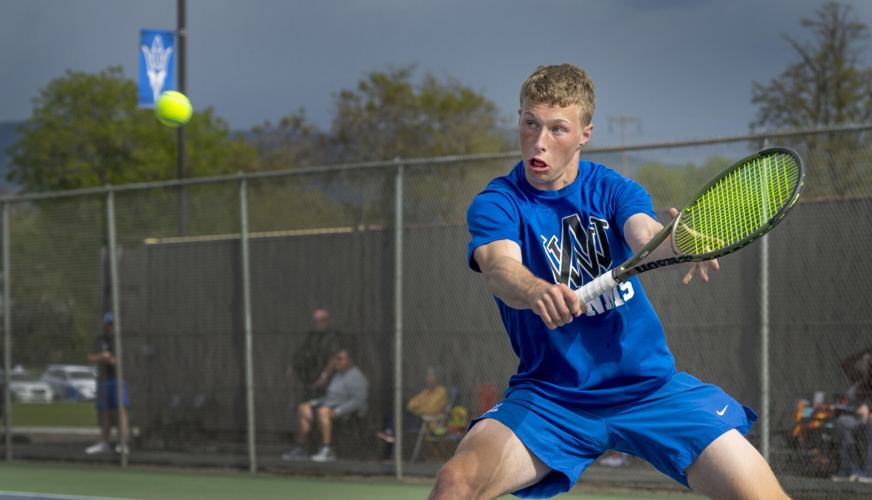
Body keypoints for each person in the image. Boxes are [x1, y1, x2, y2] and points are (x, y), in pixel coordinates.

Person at [429, 64, 787, 499]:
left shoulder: (613, 189)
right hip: (552, 398)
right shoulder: (498, 202)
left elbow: (643, 233)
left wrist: (677, 243)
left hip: (650, 391)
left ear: (585, 133)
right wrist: (536, 290)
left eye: (558, 129)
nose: (539, 142)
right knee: (456, 483)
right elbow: (500, 270)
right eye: (530, 124)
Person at [282, 348, 369, 463]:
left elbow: (358, 401)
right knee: (303, 408)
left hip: (348, 412)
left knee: (323, 411)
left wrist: (338, 411)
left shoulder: (356, 377)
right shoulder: (338, 375)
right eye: (336, 359)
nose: (337, 362)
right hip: (329, 406)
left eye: (340, 359)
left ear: (350, 361)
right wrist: (313, 403)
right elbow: (330, 397)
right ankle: (301, 449)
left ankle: (327, 450)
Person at [85, 312, 130, 455]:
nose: (110, 327)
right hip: (103, 380)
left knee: (121, 410)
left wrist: (111, 359)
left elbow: (121, 361)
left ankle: (123, 444)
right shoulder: (100, 340)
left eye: (112, 324)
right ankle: (104, 443)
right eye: (108, 324)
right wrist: (101, 356)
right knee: (105, 413)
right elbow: (90, 358)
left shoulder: (120, 341)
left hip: (117, 379)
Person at [832, 349, 872, 482]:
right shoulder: (859, 379)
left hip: (869, 417)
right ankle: (849, 470)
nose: (865, 365)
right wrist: (864, 353)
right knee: (842, 421)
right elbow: (846, 363)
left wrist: (868, 407)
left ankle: (869, 473)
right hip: (857, 417)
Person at [289, 307, 343, 400]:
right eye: (315, 320)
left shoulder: (333, 337)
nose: (318, 323)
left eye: (322, 320)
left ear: (328, 321)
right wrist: (292, 368)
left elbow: (334, 357)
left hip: (328, 383)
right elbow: (301, 352)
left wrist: (324, 376)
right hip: (309, 379)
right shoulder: (311, 335)